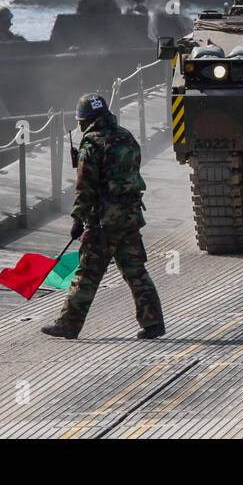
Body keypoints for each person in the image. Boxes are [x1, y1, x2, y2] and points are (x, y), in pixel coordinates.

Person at [42, 94, 164, 340]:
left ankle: (69, 324)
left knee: (87, 273)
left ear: (87, 121)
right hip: (130, 216)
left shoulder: (92, 146)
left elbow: (85, 187)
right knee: (135, 270)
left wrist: (78, 219)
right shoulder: (126, 137)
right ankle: (153, 322)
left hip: (104, 222)